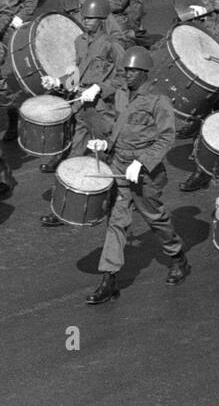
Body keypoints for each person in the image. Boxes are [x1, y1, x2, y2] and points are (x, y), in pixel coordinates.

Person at [59, 46, 188, 303]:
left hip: (145, 174)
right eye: (125, 71)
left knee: (155, 217)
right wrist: (106, 145)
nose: (127, 75)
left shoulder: (157, 100)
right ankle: (109, 278)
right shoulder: (121, 95)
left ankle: (177, 256)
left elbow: (166, 137)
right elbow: (119, 128)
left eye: (132, 71)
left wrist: (141, 162)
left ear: (143, 73)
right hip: (119, 163)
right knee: (116, 220)